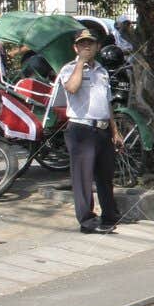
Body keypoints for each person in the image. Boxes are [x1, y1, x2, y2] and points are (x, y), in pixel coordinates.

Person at [54, 27, 122, 234]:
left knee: (105, 175)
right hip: (81, 128)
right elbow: (72, 88)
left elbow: (107, 103)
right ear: (75, 48)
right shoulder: (68, 69)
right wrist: (81, 64)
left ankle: (109, 215)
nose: (86, 46)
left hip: (102, 128)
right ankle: (87, 220)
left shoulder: (102, 71)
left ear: (97, 46)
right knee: (83, 178)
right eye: (82, 43)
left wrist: (115, 131)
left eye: (90, 43)